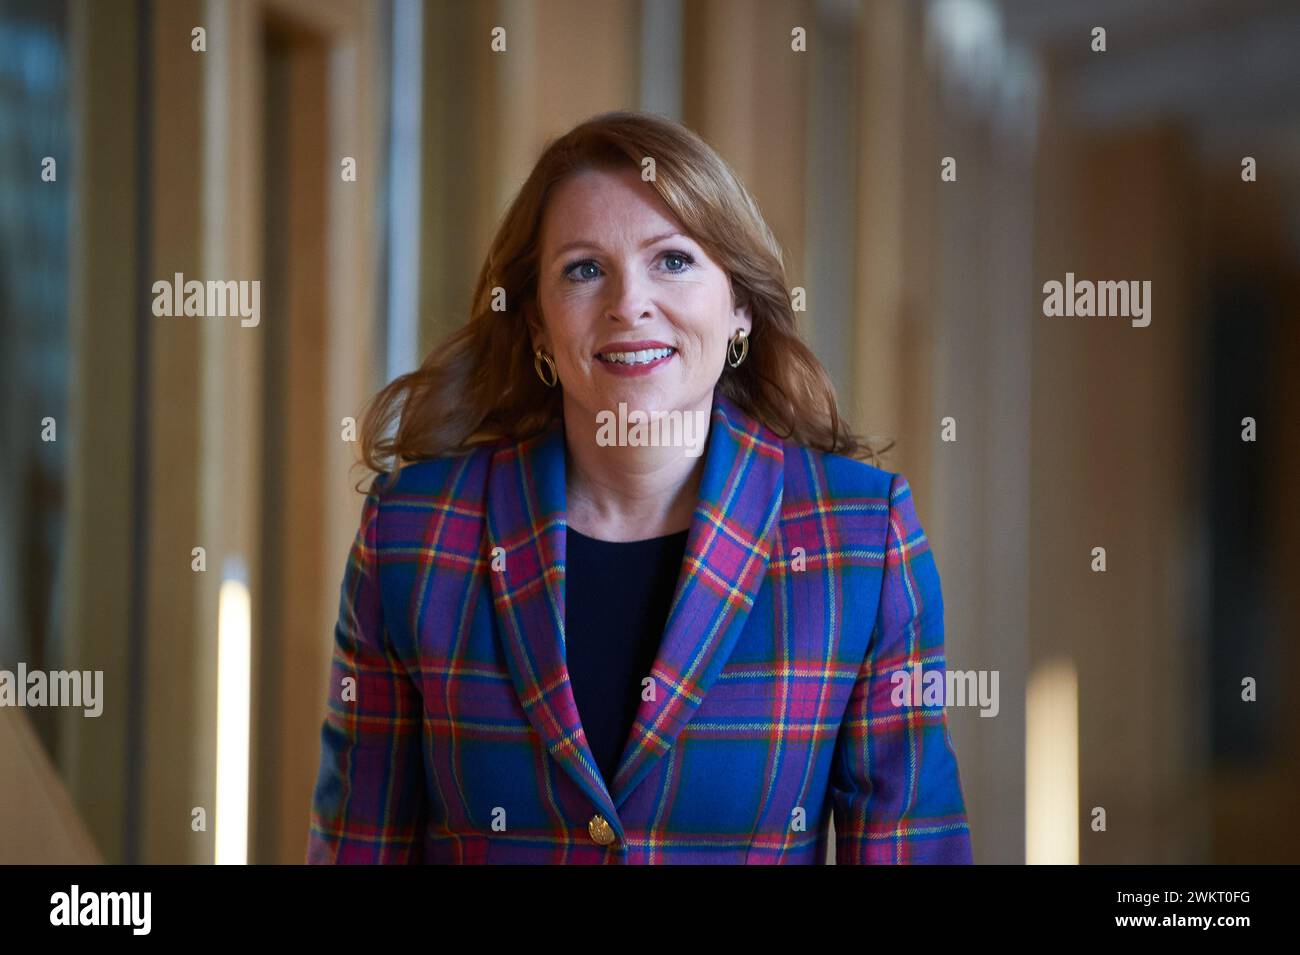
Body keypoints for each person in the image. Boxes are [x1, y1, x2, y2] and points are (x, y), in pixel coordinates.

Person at [307, 109, 973, 864]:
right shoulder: (413, 535)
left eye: (674, 261)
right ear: (535, 326)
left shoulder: (863, 541)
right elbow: (357, 848)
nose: (629, 303)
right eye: (584, 269)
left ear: (741, 307)